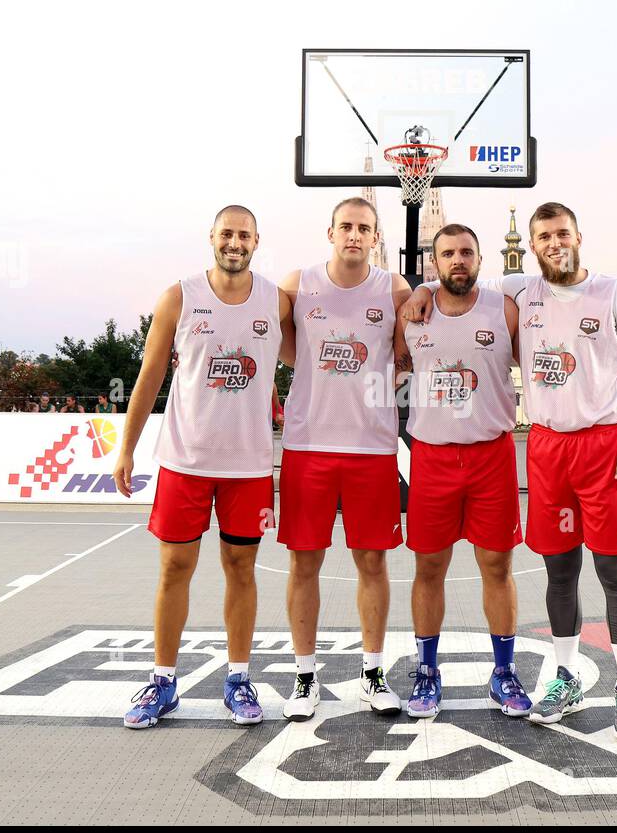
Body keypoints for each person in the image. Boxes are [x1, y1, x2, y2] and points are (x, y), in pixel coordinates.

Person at [402, 201, 617, 741]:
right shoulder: (521, 292)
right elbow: (461, 279)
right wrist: (423, 289)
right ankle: (564, 675)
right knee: (558, 571)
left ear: (578, 236)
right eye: (543, 237)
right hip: (545, 448)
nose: (553, 244)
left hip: (605, 445)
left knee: (614, 573)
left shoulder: (615, 292)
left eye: (561, 234)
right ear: (533, 245)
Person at [113, 205, 292, 729]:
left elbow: (319, 350)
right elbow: (148, 378)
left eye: (244, 235)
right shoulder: (179, 297)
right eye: (226, 234)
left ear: (257, 240)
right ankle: (164, 682)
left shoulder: (275, 300)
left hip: (249, 464)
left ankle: (238, 679)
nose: (234, 242)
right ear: (211, 238)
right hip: (185, 461)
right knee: (175, 568)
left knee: (241, 570)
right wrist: (127, 448)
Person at [276, 197, 413, 721]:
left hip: (371, 446)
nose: (355, 235)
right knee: (303, 562)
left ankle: (373, 673)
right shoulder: (298, 284)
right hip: (308, 445)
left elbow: (408, 349)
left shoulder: (394, 288)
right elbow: (284, 348)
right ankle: (305, 676)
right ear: (329, 232)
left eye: (364, 228)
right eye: (346, 227)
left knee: (372, 561)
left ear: (375, 237)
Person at [393, 223, 530, 719]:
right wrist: (419, 292)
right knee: (429, 567)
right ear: (434, 261)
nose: (458, 260)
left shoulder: (503, 309)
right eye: (448, 253)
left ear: (479, 259)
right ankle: (427, 672)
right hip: (431, 456)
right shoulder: (410, 314)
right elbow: (385, 364)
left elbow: (540, 361)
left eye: (467, 252)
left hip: (491, 455)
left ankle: (504, 671)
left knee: (497, 566)